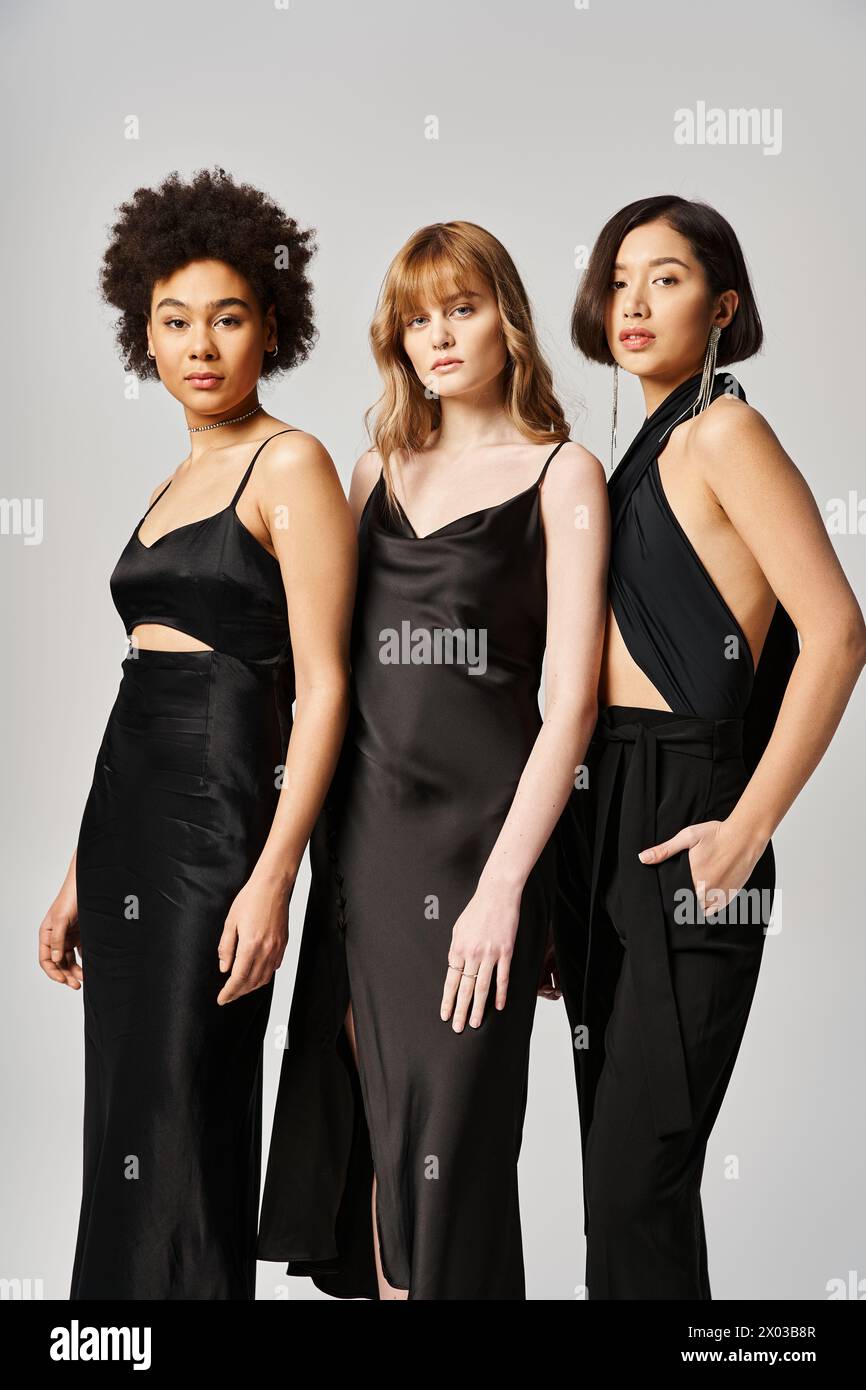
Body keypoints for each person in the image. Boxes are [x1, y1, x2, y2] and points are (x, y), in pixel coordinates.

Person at [257, 220, 608, 1299]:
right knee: (374, 1122)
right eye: (416, 319)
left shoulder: (561, 472)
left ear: (504, 317)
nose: (438, 335)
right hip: (362, 849)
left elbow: (571, 706)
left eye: (459, 309)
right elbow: (321, 671)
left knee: (453, 1145)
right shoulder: (371, 469)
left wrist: (508, 889)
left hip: (479, 855)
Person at [38, 166, 356, 1299]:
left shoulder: (292, 463)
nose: (201, 344)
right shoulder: (180, 474)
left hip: (221, 828)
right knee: (125, 1108)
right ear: (144, 335)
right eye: (174, 321)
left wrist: (274, 878)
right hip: (126, 827)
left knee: (186, 1101)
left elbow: (323, 689)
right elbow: (136, 692)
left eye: (227, 317)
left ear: (271, 325)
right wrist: (80, 867)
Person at [552, 194, 866, 1299]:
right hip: (604, 816)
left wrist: (748, 826)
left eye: (668, 278)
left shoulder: (724, 430)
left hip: (692, 808)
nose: (632, 301)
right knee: (614, 1186)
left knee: (636, 1179)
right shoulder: (636, 448)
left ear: (723, 305)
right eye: (618, 278)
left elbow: (836, 631)